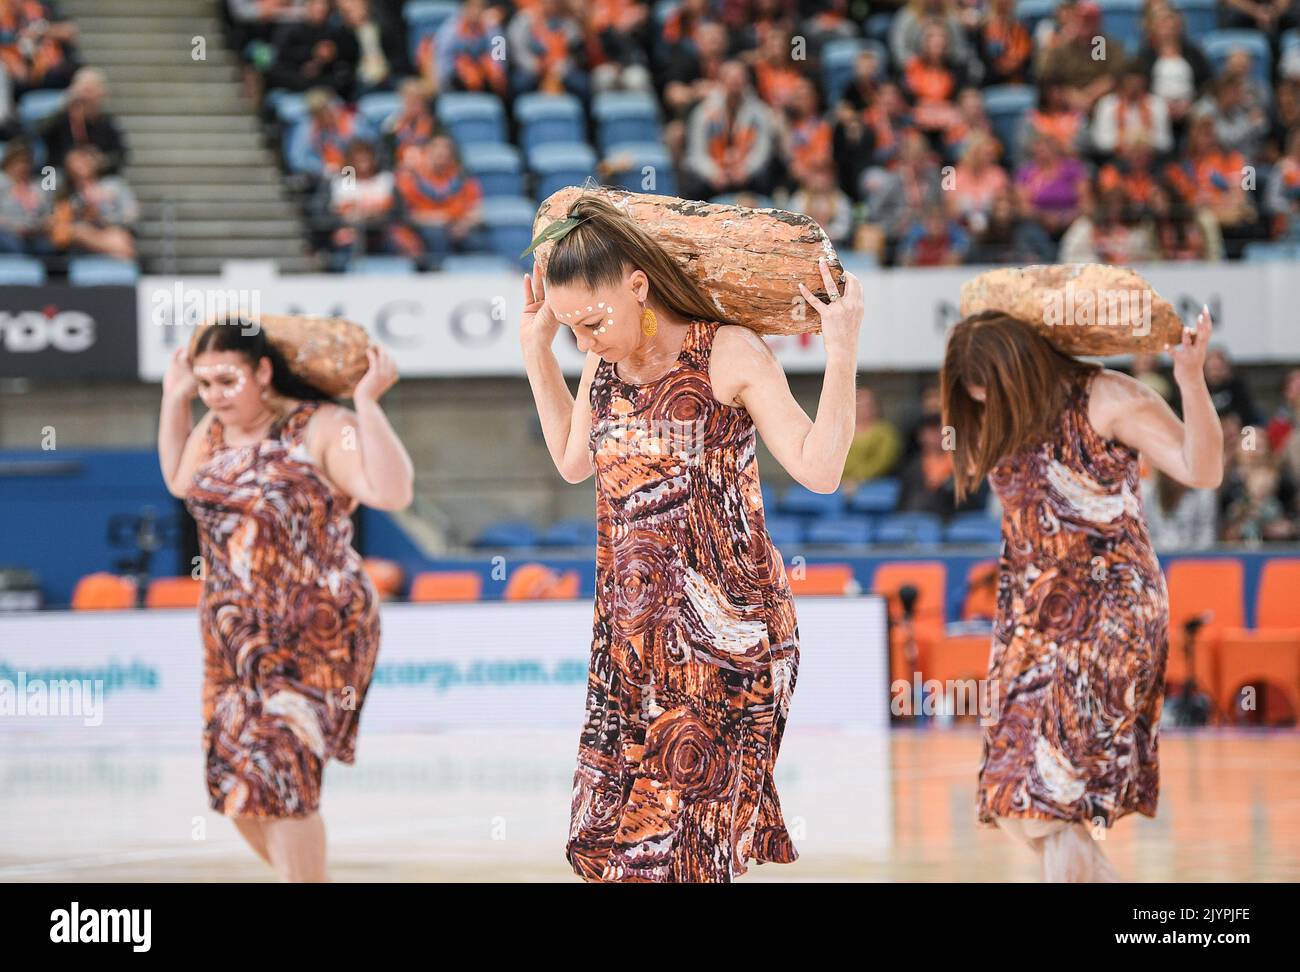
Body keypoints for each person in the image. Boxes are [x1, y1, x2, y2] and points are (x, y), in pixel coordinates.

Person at [519, 195, 863, 882]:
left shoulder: (726, 351)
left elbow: (820, 468)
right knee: (610, 852)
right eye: (570, 331)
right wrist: (537, 350)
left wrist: (842, 348)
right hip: (632, 645)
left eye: (590, 323)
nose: (584, 342)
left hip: (727, 639)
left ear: (637, 286)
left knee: (677, 863)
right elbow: (570, 459)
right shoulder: (605, 364)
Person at [941, 305, 1223, 881]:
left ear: (1021, 370)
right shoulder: (999, 414)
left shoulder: (1108, 397)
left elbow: (1203, 468)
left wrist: (1190, 378)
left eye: (990, 392)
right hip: (1030, 619)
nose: (984, 407)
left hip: (1109, 615)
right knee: (1009, 795)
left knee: (1050, 800)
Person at [157, 321, 414, 881]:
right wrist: (173, 398)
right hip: (231, 637)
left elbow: (390, 492)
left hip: (314, 629)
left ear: (263, 372)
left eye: (227, 380)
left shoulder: (321, 426)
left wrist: (367, 404)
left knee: (283, 774)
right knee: (234, 783)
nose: (215, 394)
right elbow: (181, 482)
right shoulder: (214, 430)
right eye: (205, 384)